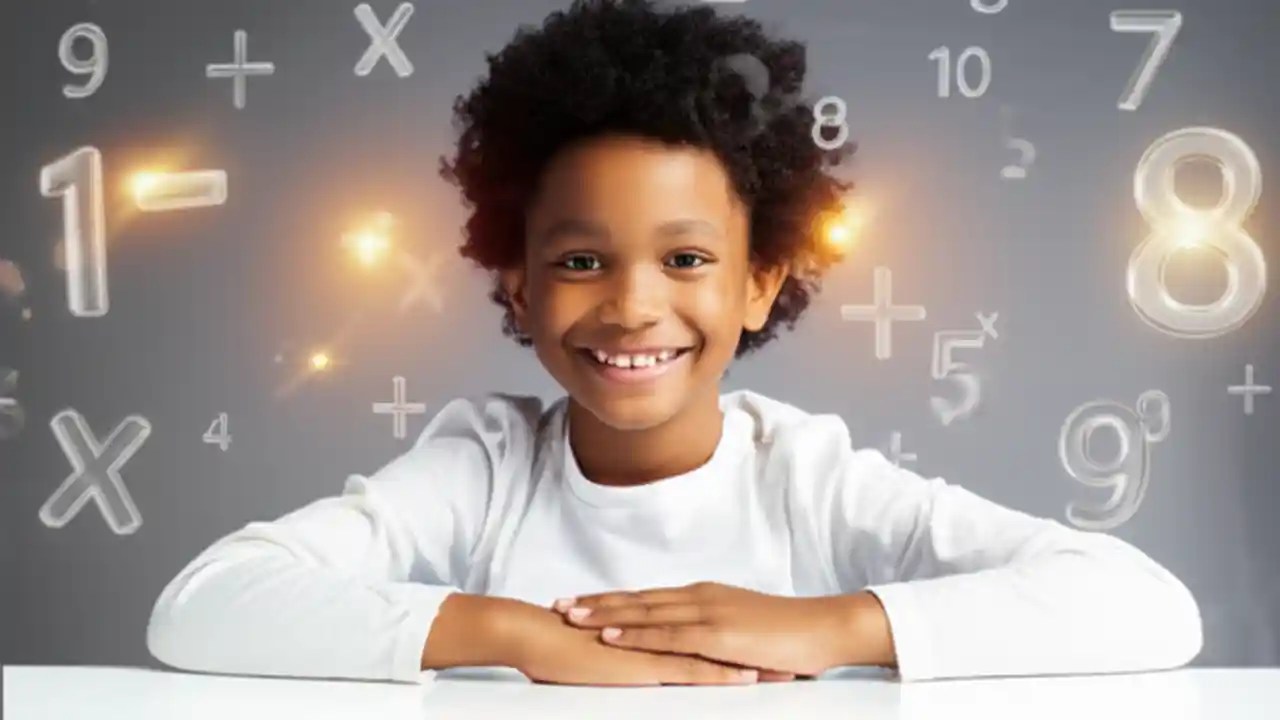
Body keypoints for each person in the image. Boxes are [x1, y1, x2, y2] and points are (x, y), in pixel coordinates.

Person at [146, 0, 1202, 687]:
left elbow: (1149, 608)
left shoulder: (807, 479)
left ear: (760, 282)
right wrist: (523, 637)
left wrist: (827, 627)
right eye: (580, 260)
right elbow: (201, 608)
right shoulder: (484, 466)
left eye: (686, 259)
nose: (631, 306)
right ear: (517, 283)